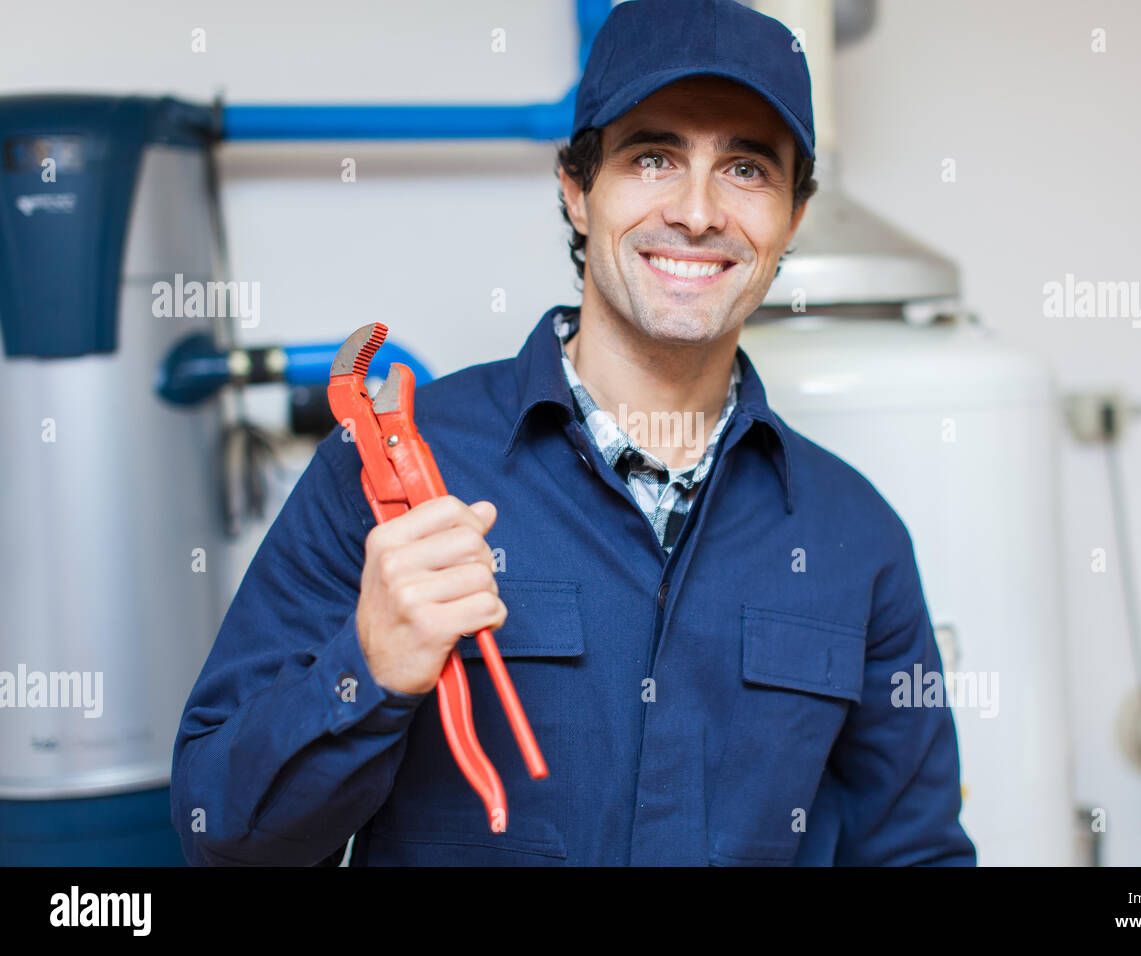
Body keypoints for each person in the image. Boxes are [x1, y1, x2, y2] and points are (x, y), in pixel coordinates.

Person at [171, 0, 976, 866]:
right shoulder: (392, 478)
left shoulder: (857, 539)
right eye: (653, 156)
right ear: (577, 190)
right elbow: (221, 836)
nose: (698, 212)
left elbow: (913, 853)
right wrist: (367, 668)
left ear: (792, 218)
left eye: (746, 169)